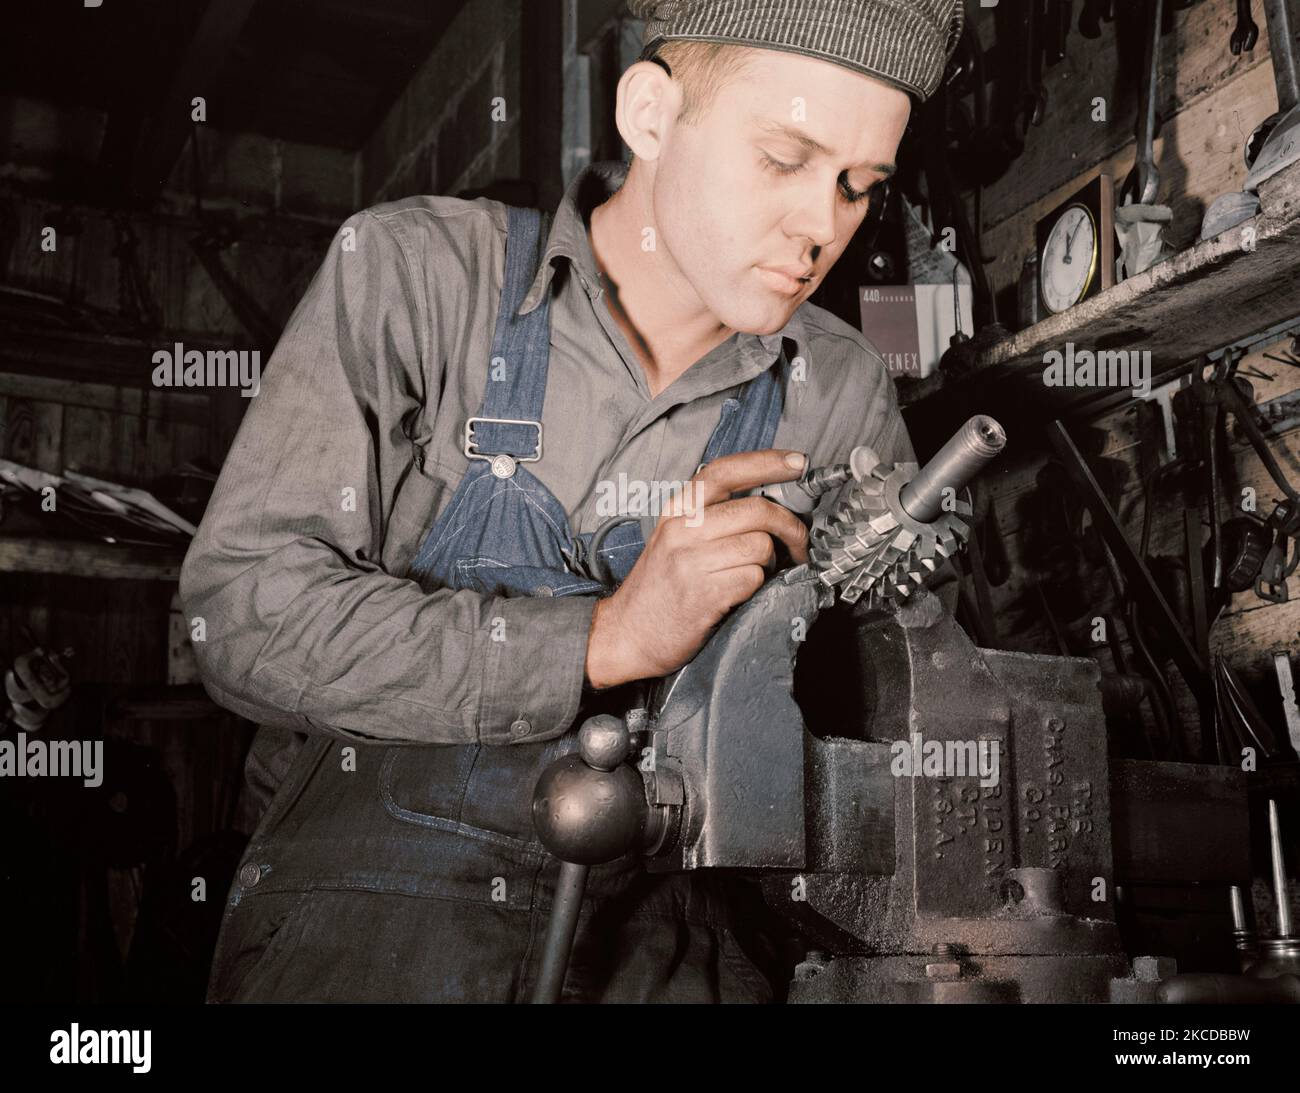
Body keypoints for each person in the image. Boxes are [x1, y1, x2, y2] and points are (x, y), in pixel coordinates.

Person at [181, 0, 965, 1003]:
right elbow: (241, 615)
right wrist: (602, 640)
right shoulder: (418, 276)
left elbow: (889, 730)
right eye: (784, 158)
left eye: (859, 187)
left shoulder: (839, 381)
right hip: (380, 923)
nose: (823, 227)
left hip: (674, 935)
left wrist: (906, 604)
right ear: (649, 114)